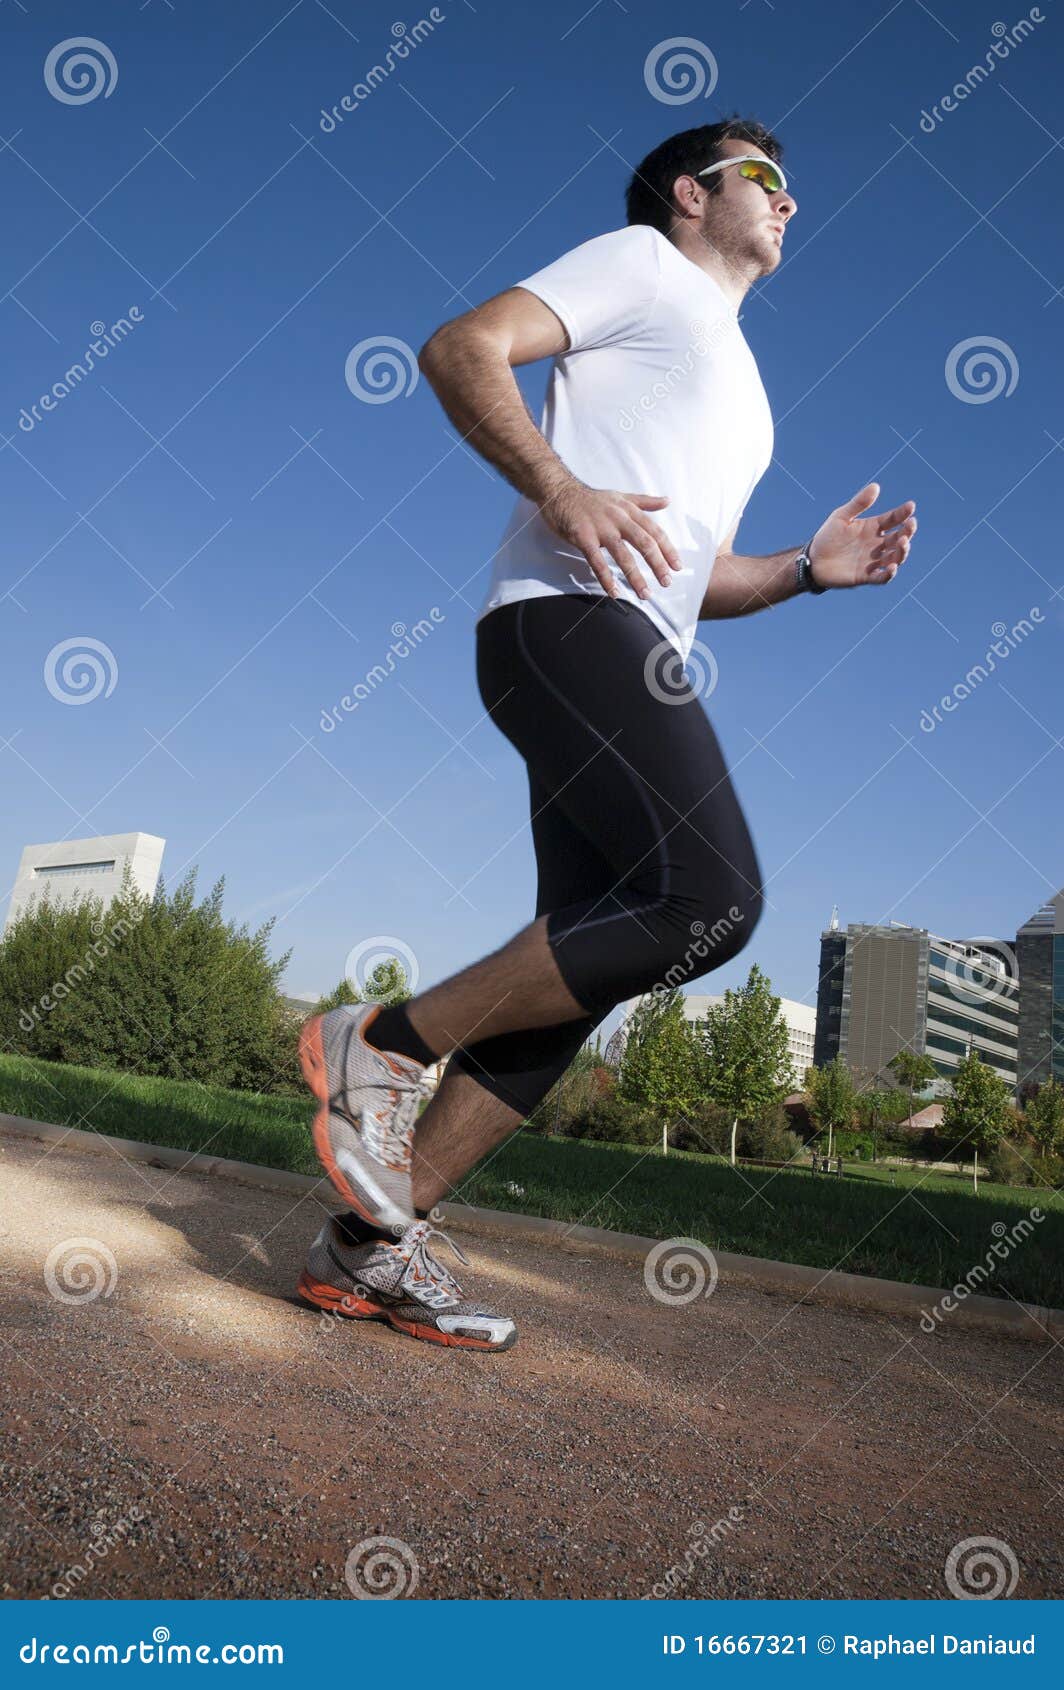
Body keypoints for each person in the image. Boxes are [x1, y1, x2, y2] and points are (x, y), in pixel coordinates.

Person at [296, 117, 917, 1352]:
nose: (791, 202)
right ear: (690, 194)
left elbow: (691, 569)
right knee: (708, 900)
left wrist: (801, 569)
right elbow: (460, 347)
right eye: (768, 178)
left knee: (589, 965)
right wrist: (557, 487)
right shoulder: (643, 267)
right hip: (568, 628)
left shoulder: (735, 378)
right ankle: (377, 1040)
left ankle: (368, 1247)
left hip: (631, 639)